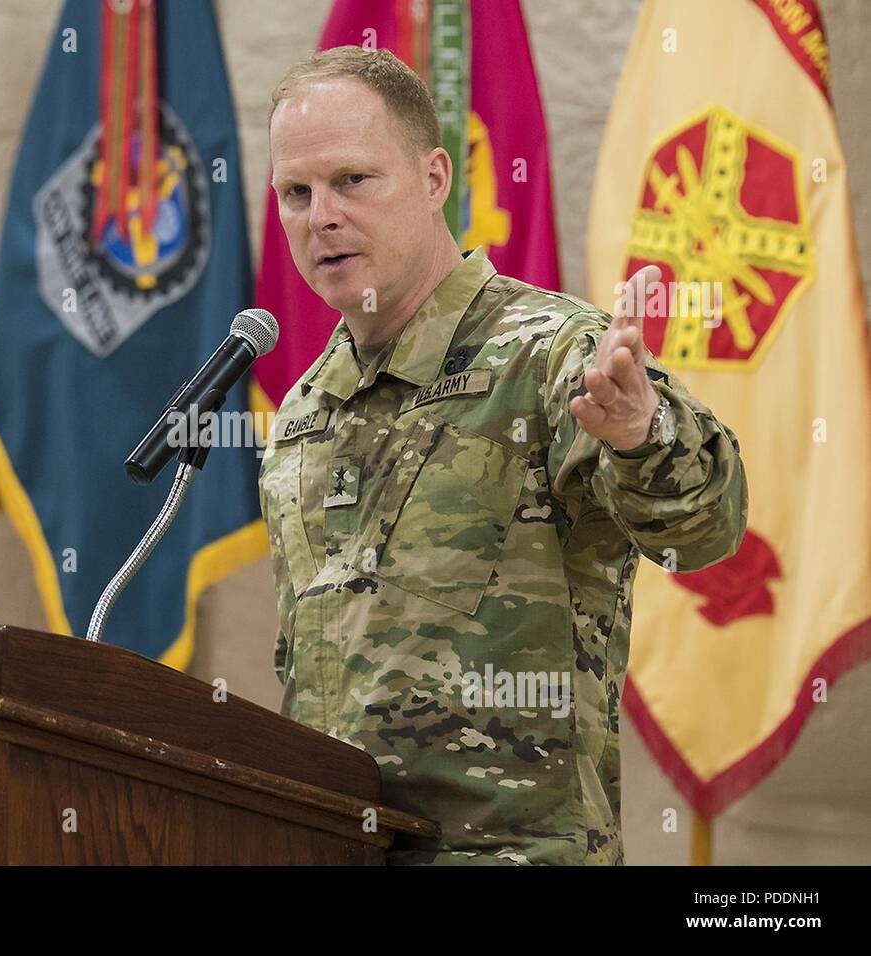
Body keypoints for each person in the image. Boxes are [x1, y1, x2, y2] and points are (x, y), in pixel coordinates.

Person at [258, 46, 747, 865]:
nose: (321, 216)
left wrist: (641, 431)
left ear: (434, 178)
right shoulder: (308, 406)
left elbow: (704, 532)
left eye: (352, 180)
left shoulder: (553, 354)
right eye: (295, 193)